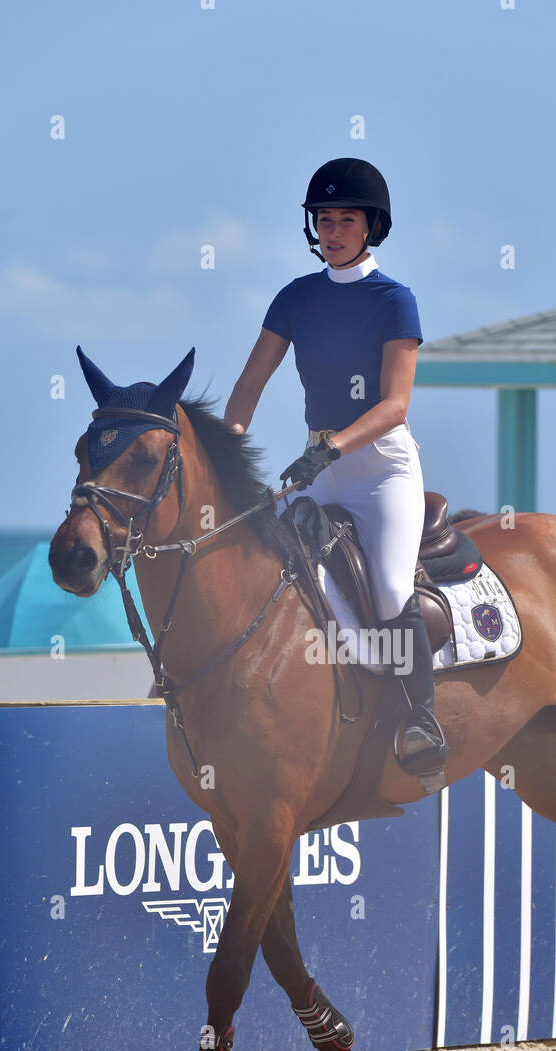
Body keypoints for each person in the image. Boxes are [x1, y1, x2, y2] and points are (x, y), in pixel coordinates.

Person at [223, 157, 447, 789]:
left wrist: (332, 448)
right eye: (323, 219)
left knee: (390, 592)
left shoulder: (393, 301)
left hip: (381, 471)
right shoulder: (294, 298)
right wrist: (226, 449)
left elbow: (395, 404)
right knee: (271, 573)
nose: (333, 230)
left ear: (371, 225)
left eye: (346, 218)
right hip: (318, 468)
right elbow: (249, 384)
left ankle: (420, 719)